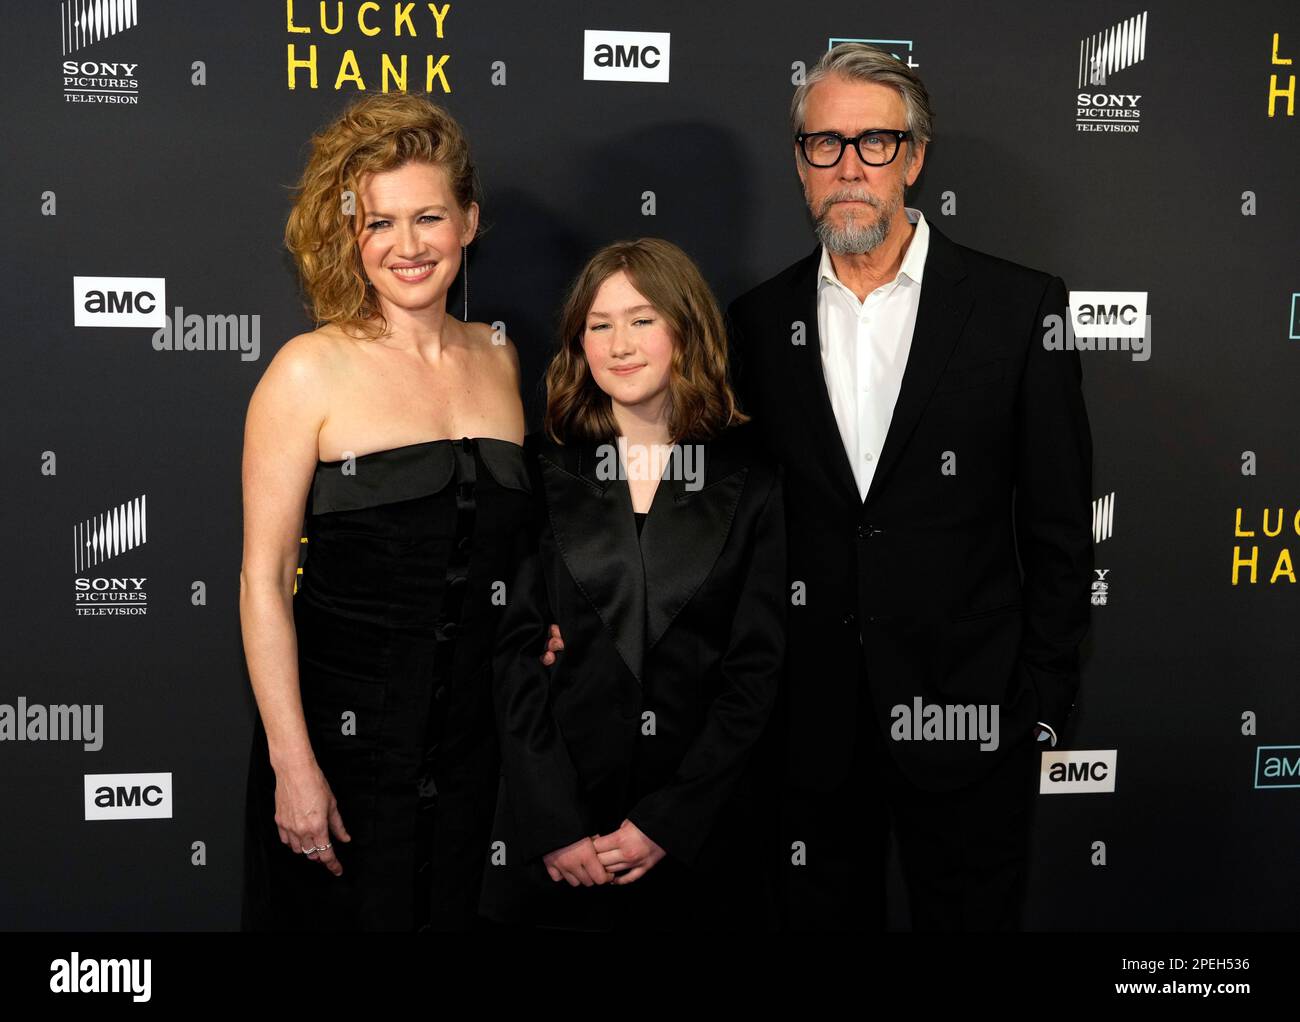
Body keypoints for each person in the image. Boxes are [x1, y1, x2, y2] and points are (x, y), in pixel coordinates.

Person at [725, 44, 1093, 930]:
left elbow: (1059, 525)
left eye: (876, 143)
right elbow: (735, 526)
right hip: (807, 733)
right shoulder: (756, 322)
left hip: (972, 720)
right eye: (825, 145)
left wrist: (1036, 709)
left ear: (916, 158)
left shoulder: (1017, 307)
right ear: (801, 165)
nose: (849, 165)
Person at [239, 91, 529, 931]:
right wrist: (296, 766)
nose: (406, 247)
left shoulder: (502, 359)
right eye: (378, 223)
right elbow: (262, 581)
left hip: (475, 759)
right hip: (341, 757)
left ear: (469, 222)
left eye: (428, 218)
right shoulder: (308, 371)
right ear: (350, 235)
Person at [479, 238, 787, 931]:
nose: (620, 344)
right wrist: (552, 823)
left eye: (643, 320)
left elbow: (755, 674)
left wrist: (669, 820)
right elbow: (513, 657)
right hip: (560, 842)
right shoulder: (536, 473)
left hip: (699, 843)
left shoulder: (753, 485)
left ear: (687, 328)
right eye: (599, 324)